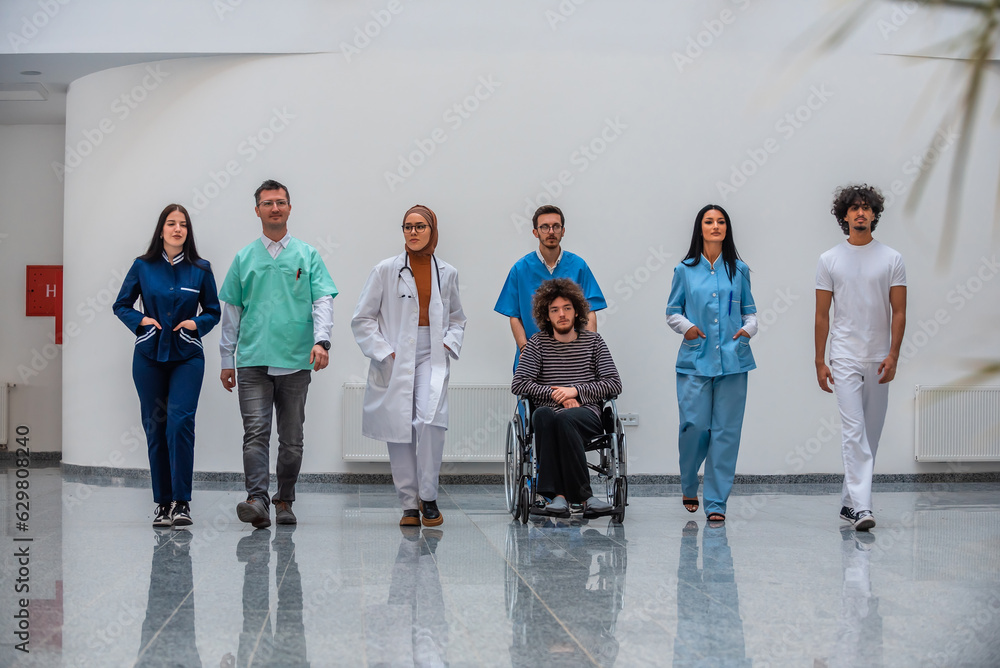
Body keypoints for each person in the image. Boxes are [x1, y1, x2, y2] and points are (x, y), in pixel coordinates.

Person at [219, 179, 339, 529]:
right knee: (255, 432)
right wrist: (227, 360)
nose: (275, 208)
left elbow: (322, 301)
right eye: (268, 203)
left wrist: (322, 341)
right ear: (257, 210)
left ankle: (285, 498)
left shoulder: (307, 255)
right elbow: (232, 314)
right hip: (253, 359)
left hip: (296, 360)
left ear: (289, 208)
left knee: (291, 440)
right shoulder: (244, 258)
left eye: (281, 202)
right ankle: (257, 499)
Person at [352, 205, 466, 527]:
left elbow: (458, 318)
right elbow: (362, 319)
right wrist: (384, 352)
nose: (413, 232)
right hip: (396, 352)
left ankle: (428, 496)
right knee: (399, 428)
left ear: (432, 231)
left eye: (420, 226)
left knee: (430, 421)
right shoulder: (385, 270)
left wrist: (447, 343)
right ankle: (408, 504)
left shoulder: (447, 273)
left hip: (433, 351)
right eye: (407, 227)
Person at [114, 204, 221, 528]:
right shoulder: (142, 267)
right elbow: (121, 304)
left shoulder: (200, 269)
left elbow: (213, 311)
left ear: (188, 232)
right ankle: (162, 503)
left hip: (187, 357)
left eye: (183, 225)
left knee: (179, 423)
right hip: (148, 357)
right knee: (155, 428)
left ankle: (182, 502)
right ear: (161, 230)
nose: (177, 229)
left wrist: (195, 324)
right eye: (171, 224)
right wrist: (141, 320)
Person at [815, 184, 906, 532]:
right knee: (854, 432)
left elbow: (898, 312)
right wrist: (819, 361)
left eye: (866, 208)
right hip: (844, 357)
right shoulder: (829, 260)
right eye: (854, 208)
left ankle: (848, 502)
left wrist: (894, 354)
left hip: (879, 357)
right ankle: (863, 508)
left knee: (871, 434)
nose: (860, 213)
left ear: (874, 215)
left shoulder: (892, 259)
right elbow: (822, 315)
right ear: (844, 216)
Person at [666, 204, 757, 523]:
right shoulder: (684, 270)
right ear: (700, 228)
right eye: (709, 221)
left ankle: (716, 503)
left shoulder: (740, 270)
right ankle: (689, 484)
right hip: (695, 360)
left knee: (726, 433)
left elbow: (751, 312)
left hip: (735, 361)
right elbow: (672, 311)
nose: (715, 226)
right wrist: (686, 327)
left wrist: (748, 330)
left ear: (727, 228)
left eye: (721, 221)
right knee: (694, 426)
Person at [511, 278, 622, 517]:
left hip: (587, 414)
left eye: (567, 308)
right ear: (546, 315)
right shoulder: (537, 344)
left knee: (565, 419)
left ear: (577, 311)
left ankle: (578, 496)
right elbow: (519, 383)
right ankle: (560, 497)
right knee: (544, 414)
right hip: (550, 416)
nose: (562, 314)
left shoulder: (594, 342)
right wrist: (556, 395)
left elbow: (614, 383)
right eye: (555, 310)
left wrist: (576, 392)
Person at [495, 204, 607, 368]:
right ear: (536, 232)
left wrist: (589, 351)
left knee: (573, 394)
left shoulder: (578, 266)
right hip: (534, 359)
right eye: (545, 227)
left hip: (573, 358)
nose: (551, 232)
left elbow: (590, 312)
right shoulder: (520, 269)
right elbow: (514, 316)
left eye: (556, 226)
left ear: (563, 231)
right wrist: (525, 350)